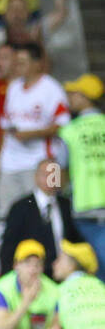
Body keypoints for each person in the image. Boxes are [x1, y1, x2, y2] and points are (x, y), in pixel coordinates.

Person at [0, 43, 69, 213]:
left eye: (22, 62)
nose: (17, 66)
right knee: (8, 213)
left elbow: (63, 125)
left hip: (41, 162)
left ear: (37, 63)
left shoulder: (52, 88)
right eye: (16, 62)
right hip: (10, 162)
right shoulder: (13, 87)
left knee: (42, 214)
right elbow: (5, 127)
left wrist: (31, 134)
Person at [0, 158, 84, 275]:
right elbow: (8, 247)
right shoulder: (20, 207)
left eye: (54, 175)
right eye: (46, 174)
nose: (50, 179)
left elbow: (73, 239)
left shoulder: (65, 205)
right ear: (36, 177)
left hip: (61, 276)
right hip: (31, 275)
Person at [60, 75, 105, 270]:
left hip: (85, 205)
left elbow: (60, 168)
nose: (69, 97)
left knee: (93, 265)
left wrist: (58, 196)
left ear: (85, 97)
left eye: (74, 93)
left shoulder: (70, 131)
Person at [51, 241, 105, 329]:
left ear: (72, 265)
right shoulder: (101, 287)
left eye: (60, 259)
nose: (54, 264)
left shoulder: (60, 291)